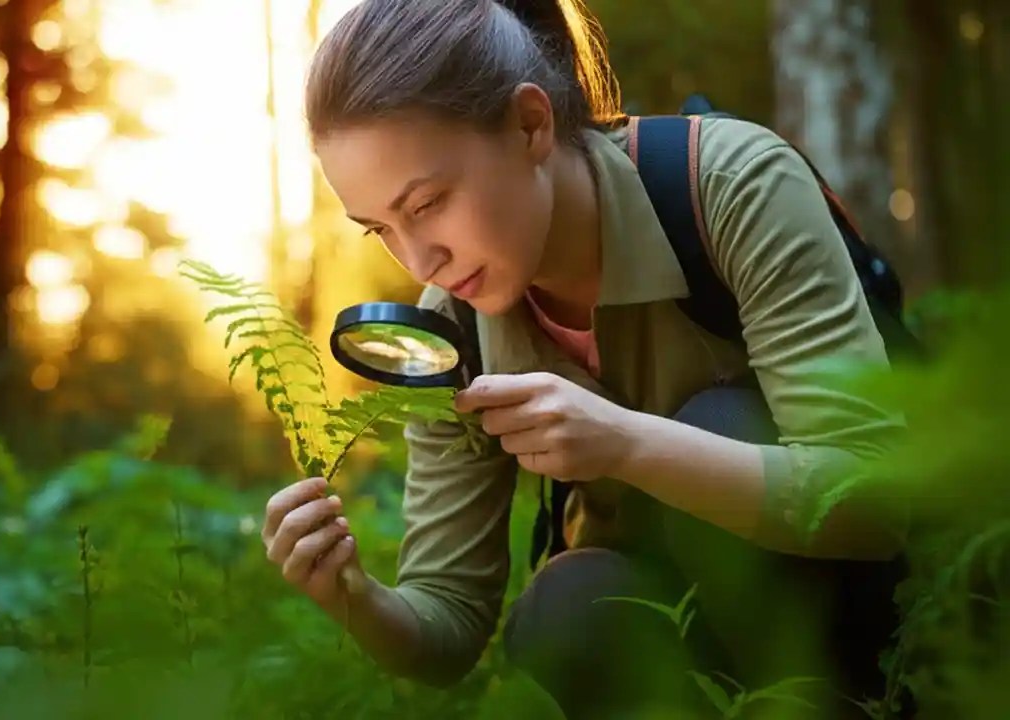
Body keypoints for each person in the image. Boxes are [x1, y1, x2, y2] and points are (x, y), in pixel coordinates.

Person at [259, 0, 910, 717]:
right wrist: (352, 597)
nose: (421, 259)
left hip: (865, 609)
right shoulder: (453, 337)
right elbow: (446, 630)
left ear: (531, 125)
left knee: (725, 423)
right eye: (379, 227)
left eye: (429, 203)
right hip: (677, 630)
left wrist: (625, 444)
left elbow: (875, 503)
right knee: (566, 606)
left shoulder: (728, 186)